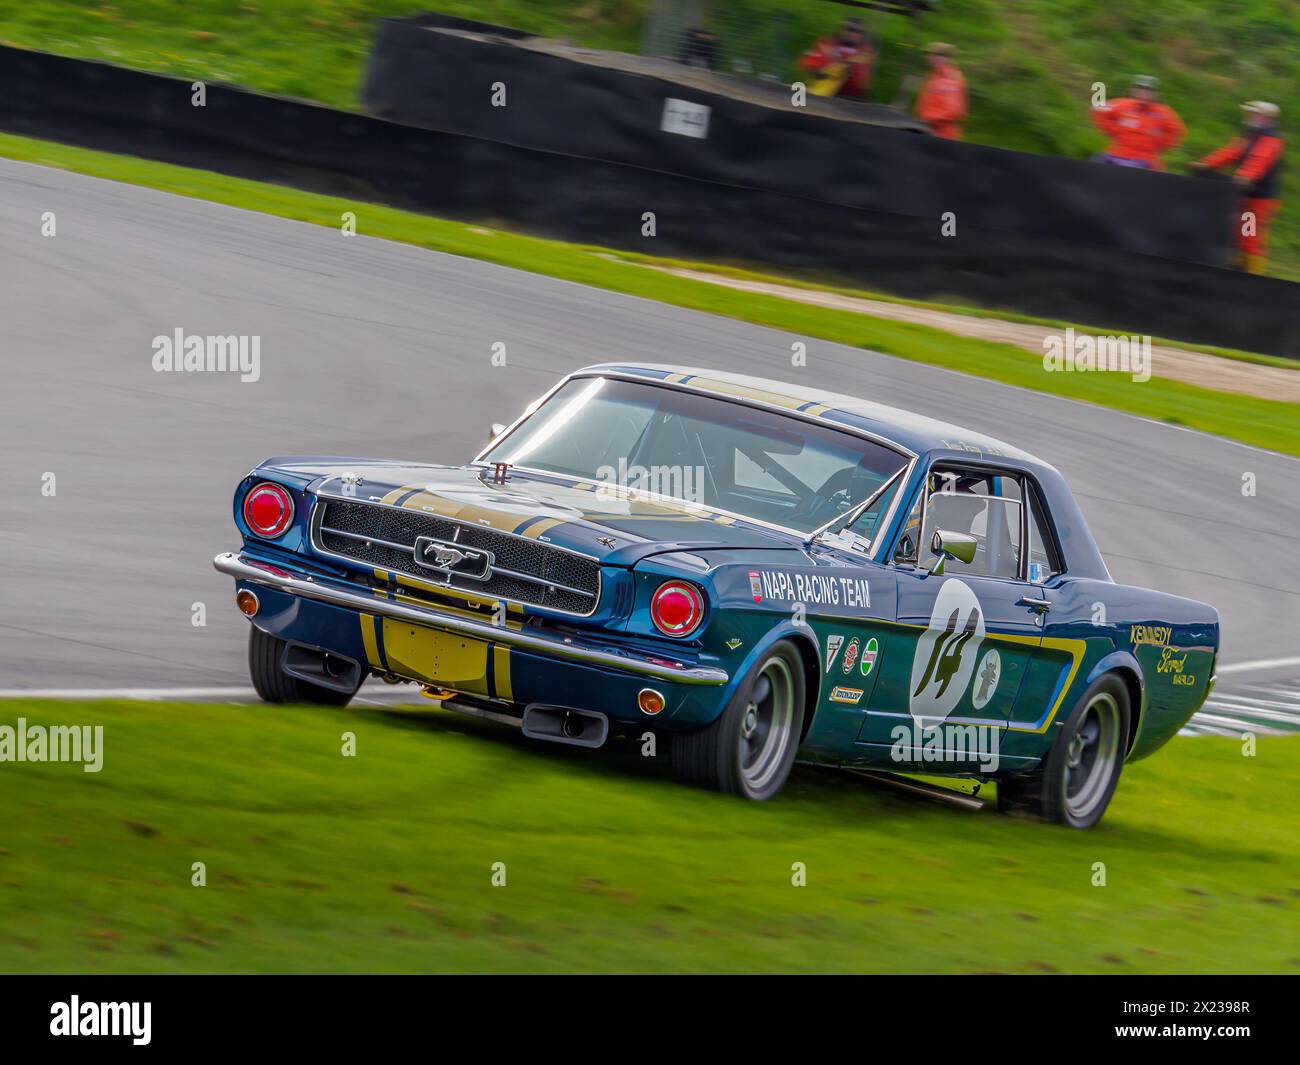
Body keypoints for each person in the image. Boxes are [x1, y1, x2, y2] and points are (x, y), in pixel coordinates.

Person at [1192, 101, 1285, 273]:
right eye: (1250, 114)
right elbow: (1229, 153)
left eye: (1254, 114)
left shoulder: (1271, 140)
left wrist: (1244, 177)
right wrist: (1205, 165)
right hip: (1245, 194)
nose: (1250, 117)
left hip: (1259, 198)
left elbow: (1258, 161)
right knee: (1238, 234)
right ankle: (1239, 269)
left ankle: (1254, 274)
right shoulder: (1249, 137)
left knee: (1250, 237)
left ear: (1266, 118)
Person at [1091, 75, 1185, 170]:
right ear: (1133, 91)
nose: (1144, 93)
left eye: (1149, 90)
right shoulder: (1121, 104)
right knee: (1094, 165)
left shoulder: (1163, 112)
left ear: (1156, 94)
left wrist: (1158, 144)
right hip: (1116, 154)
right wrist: (1115, 131)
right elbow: (1098, 110)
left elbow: (1177, 131)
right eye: (1140, 89)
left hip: (1146, 160)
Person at [799, 17, 875, 99]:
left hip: (851, 101)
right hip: (820, 95)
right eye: (849, 29)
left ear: (863, 35)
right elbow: (810, 66)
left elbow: (862, 83)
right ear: (842, 30)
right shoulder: (826, 43)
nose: (852, 34)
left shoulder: (866, 52)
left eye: (858, 32)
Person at [914, 43, 968, 140]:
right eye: (929, 54)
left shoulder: (950, 78)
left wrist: (926, 119)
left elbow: (953, 111)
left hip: (943, 136)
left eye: (934, 54)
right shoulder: (932, 76)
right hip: (928, 132)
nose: (929, 57)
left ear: (945, 58)